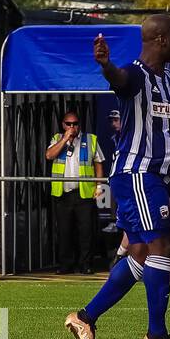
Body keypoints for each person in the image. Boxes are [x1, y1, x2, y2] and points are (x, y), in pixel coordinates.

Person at [64, 15, 170, 339]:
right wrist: (106, 65)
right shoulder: (135, 75)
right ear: (162, 40)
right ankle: (155, 335)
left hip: (158, 177)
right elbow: (118, 80)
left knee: (139, 253)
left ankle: (84, 318)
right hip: (138, 172)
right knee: (162, 246)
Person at [45, 109, 105, 275]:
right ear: (63, 125)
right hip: (63, 194)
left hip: (84, 193)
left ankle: (85, 264)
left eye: (75, 124)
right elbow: (49, 155)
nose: (72, 127)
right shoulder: (57, 138)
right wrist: (65, 139)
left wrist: (99, 187)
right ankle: (65, 265)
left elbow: (99, 163)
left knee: (86, 232)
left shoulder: (90, 139)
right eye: (69, 124)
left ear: (80, 125)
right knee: (64, 231)